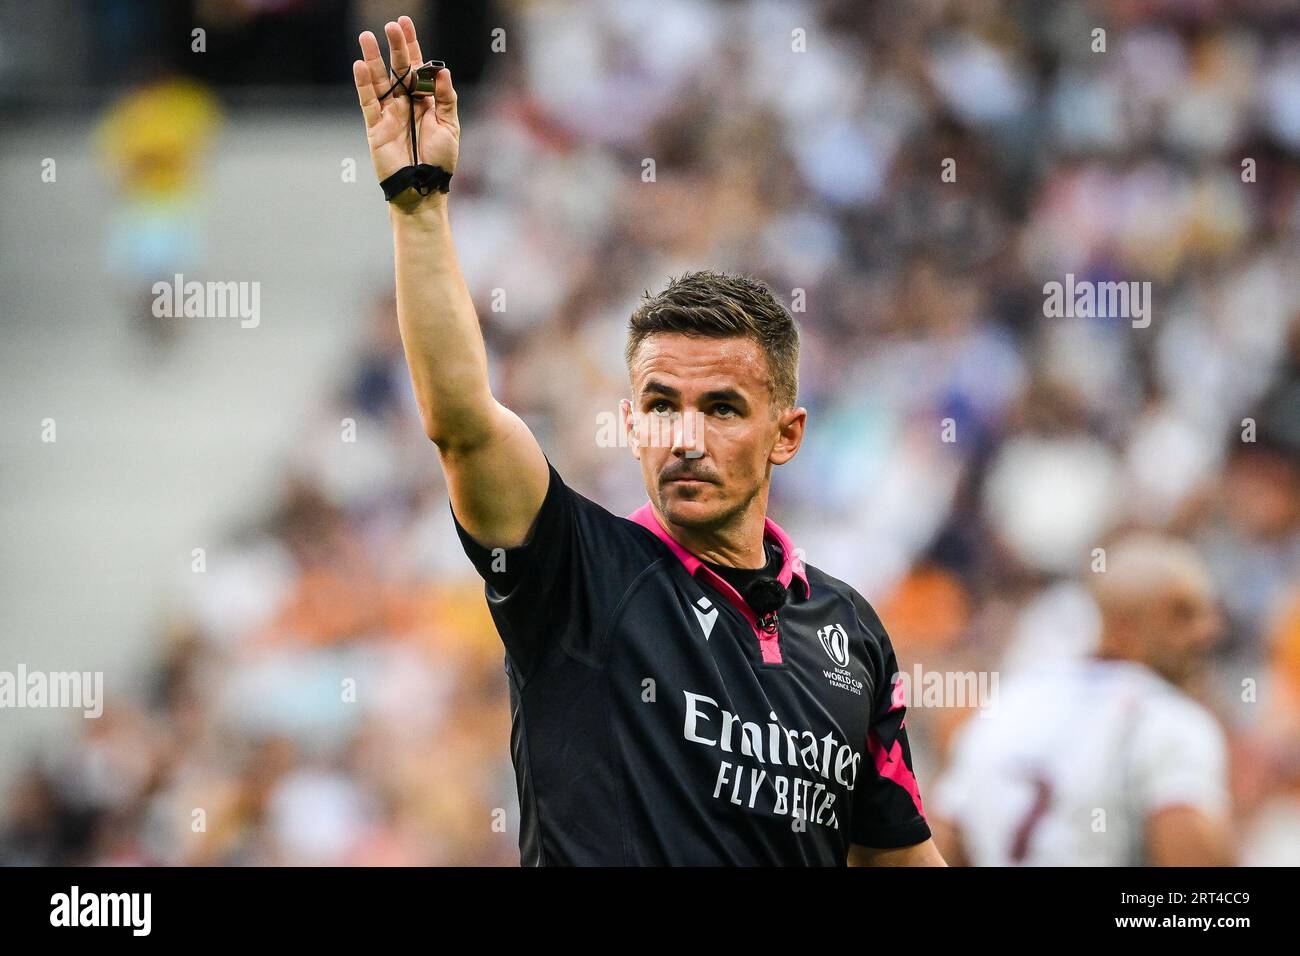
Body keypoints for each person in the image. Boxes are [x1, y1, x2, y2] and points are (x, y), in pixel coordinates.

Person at [351, 15, 943, 866]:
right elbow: (463, 423)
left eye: (724, 408)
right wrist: (417, 207)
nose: (687, 437)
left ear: (788, 434)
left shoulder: (848, 632)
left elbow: (898, 859)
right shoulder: (580, 573)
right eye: (661, 404)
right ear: (630, 421)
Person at [930, 533, 1234, 866]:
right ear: (1122, 626)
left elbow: (942, 839)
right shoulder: (1169, 720)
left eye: (1206, 613)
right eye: (1182, 614)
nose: (1207, 631)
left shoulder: (1008, 701)